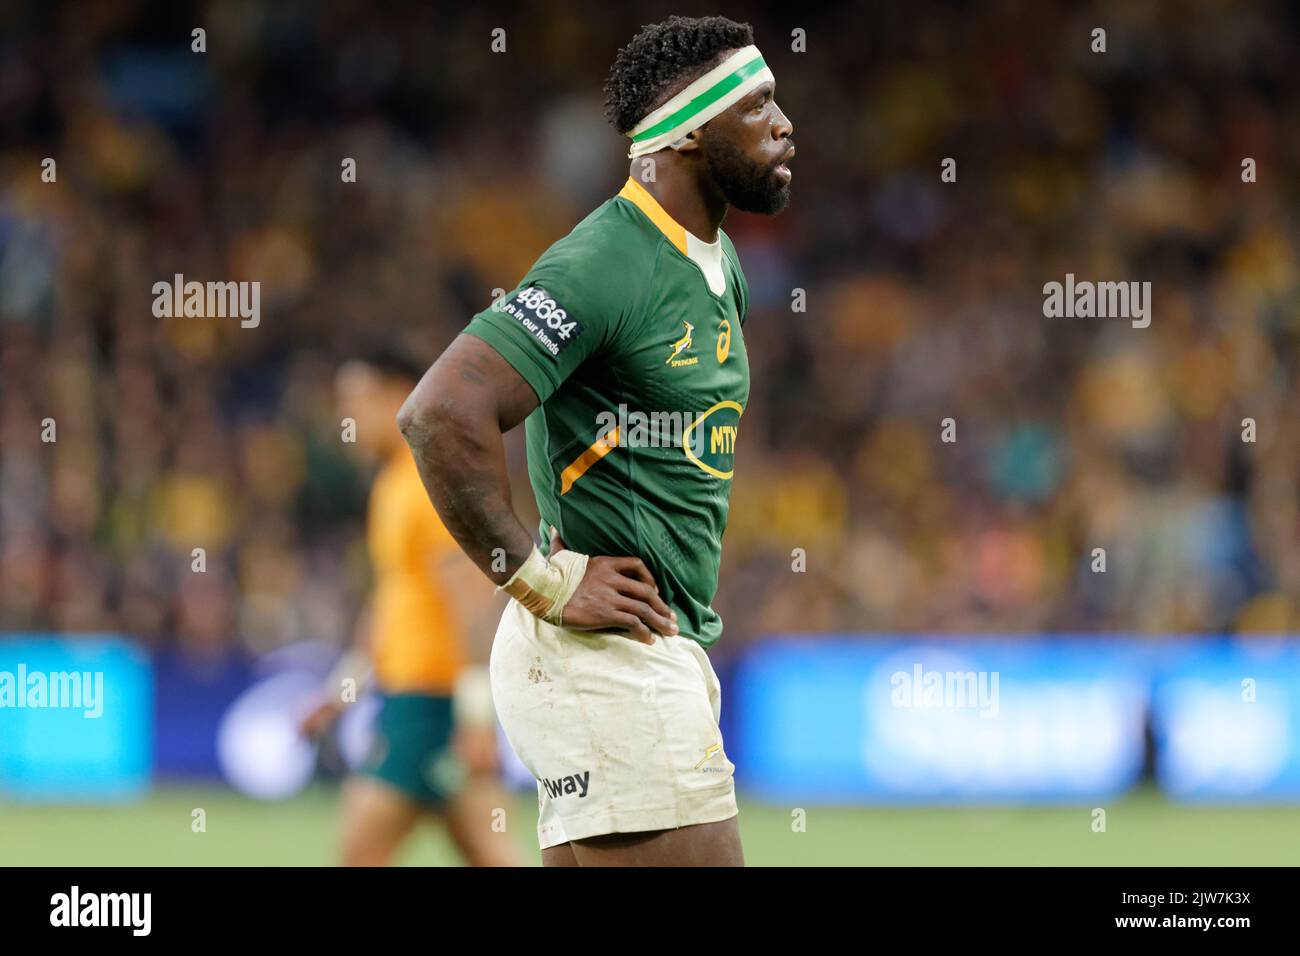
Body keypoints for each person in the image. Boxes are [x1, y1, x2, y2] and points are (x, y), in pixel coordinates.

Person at [397, 15, 794, 866]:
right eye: (758, 104)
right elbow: (439, 411)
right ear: (690, 130)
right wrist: (542, 580)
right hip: (606, 662)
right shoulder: (609, 260)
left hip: (646, 652)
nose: (783, 122)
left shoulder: (719, 265)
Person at [301, 348, 521, 867]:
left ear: (400, 393)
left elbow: (470, 597)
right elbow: (391, 603)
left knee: (359, 855)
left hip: (431, 701)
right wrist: (340, 691)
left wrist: (473, 718)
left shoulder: (427, 481)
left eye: (355, 400)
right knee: (487, 846)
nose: (345, 418)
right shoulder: (392, 484)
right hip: (415, 696)